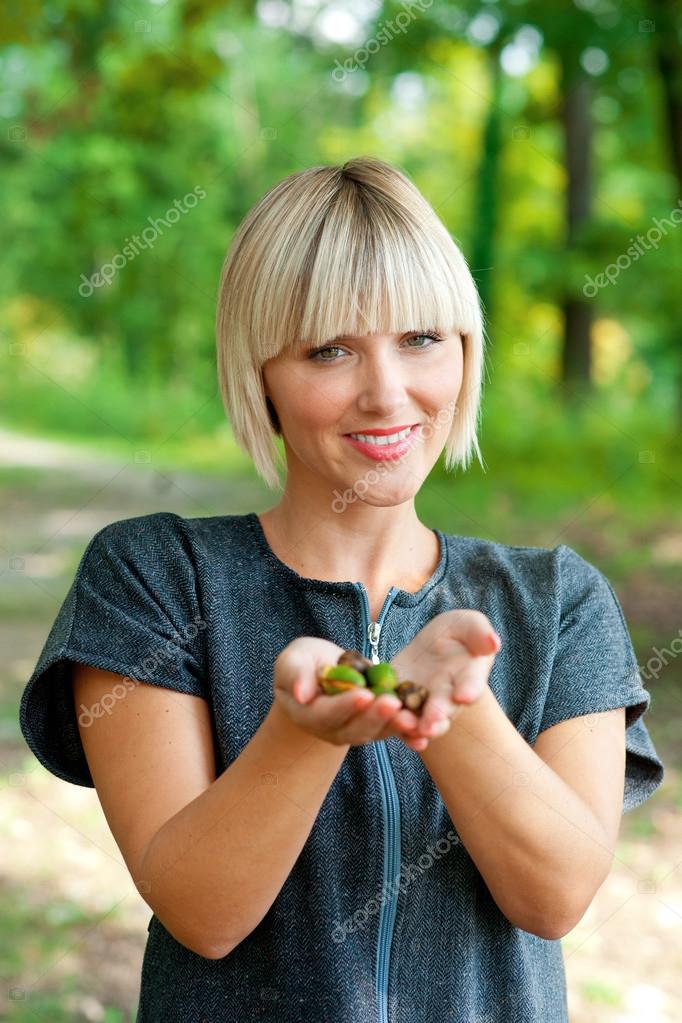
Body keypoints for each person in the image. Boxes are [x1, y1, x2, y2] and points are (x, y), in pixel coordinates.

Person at [19, 156, 664, 1023]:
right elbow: (202, 913)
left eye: (421, 338)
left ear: (465, 349)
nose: (387, 392)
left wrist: (451, 707)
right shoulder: (153, 576)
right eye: (329, 349)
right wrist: (301, 733)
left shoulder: (558, 600)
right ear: (262, 375)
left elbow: (554, 898)